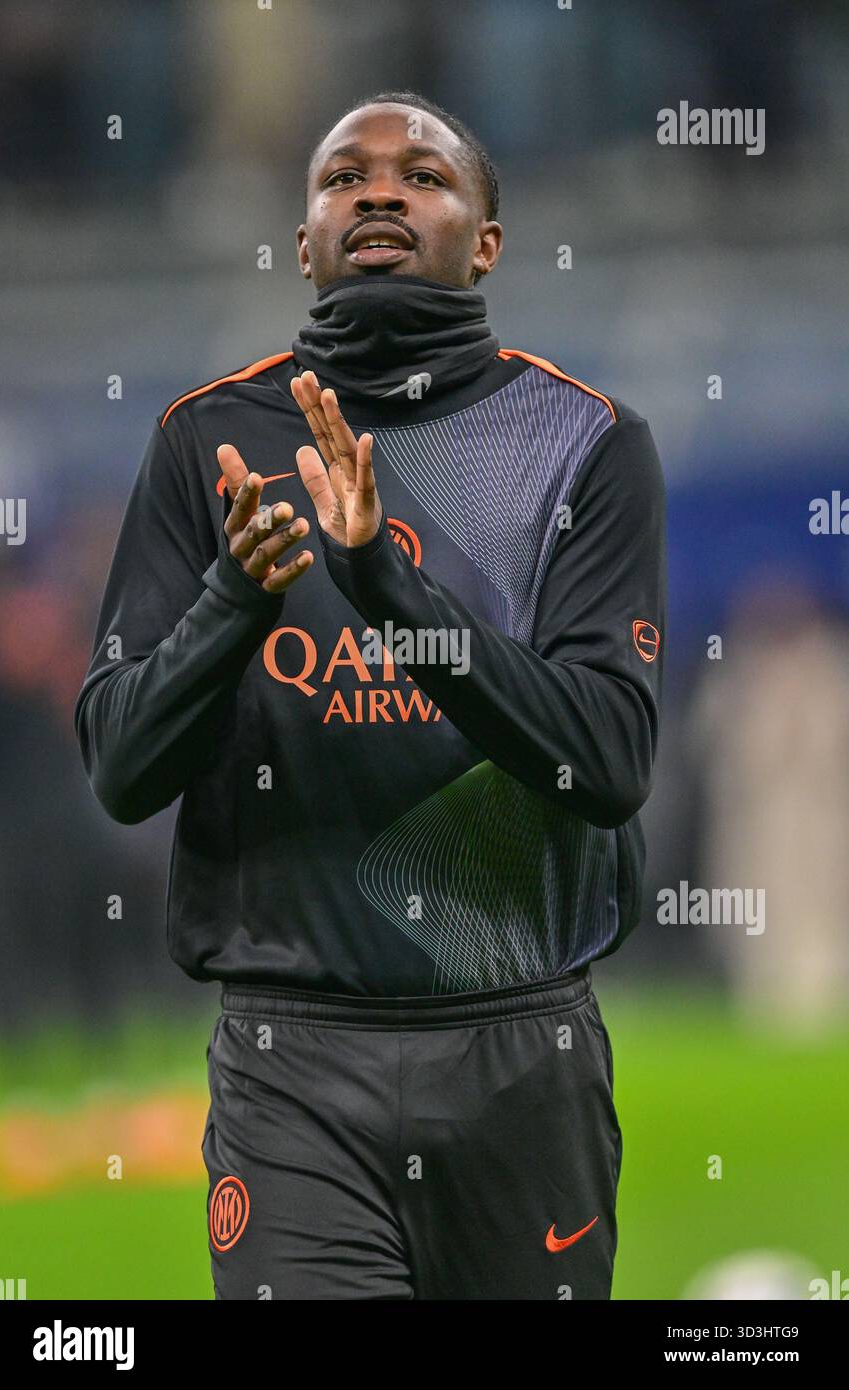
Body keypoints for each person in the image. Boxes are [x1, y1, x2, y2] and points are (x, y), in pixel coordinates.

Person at [74, 90, 666, 1300]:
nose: (380, 191)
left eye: (424, 176)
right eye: (343, 177)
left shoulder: (584, 443)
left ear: (485, 241)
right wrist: (237, 597)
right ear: (304, 241)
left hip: (521, 1054)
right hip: (292, 1067)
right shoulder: (208, 443)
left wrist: (387, 591)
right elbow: (123, 767)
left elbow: (605, 761)